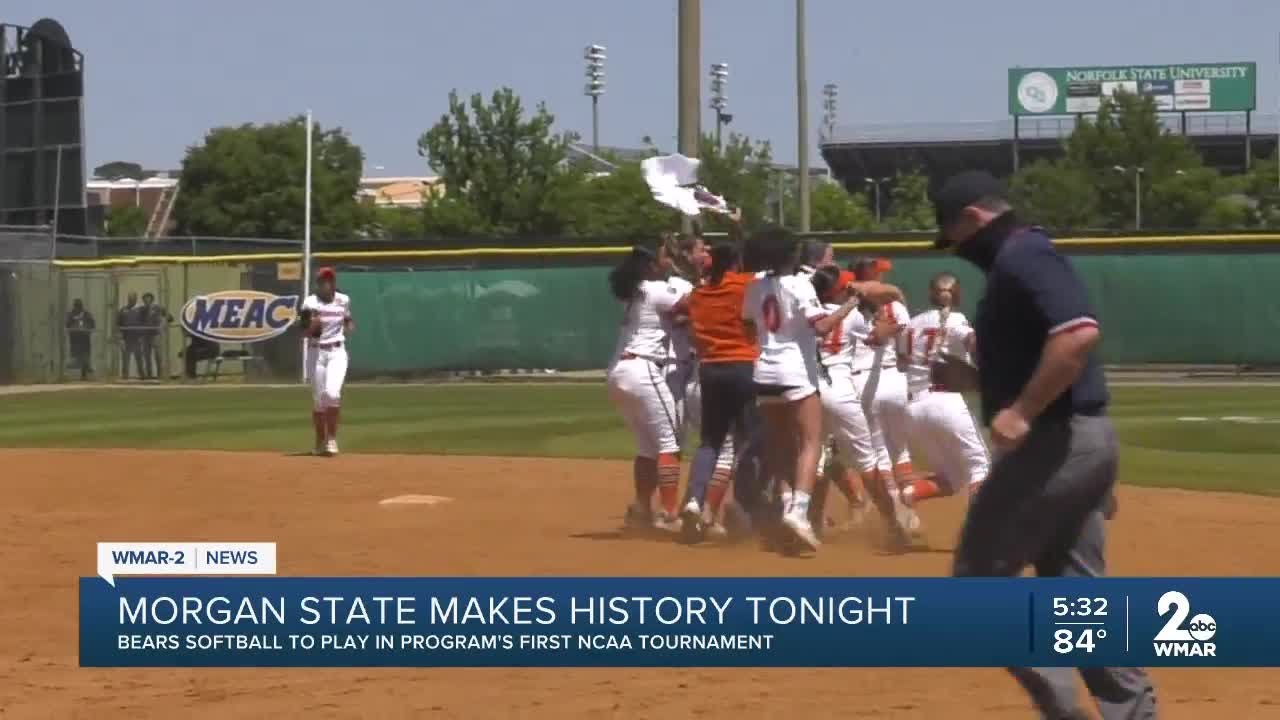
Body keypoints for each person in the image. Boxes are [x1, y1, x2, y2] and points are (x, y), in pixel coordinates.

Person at [933, 170, 1156, 719]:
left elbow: (1078, 334)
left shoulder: (1023, 254)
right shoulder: (1018, 257)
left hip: (1057, 444)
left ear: (972, 218)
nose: (958, 252)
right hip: (1076, 443)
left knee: (977, 585)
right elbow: (1043, 356)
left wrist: (1021, 410)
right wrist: (979, 382)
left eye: (954, 237)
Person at [742, 228, 902, 553]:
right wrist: (853, 302)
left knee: (780, 446)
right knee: (813, 443)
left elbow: (747, 326)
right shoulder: (803, 286)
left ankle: (789, 503)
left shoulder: (755, 285)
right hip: (801, 374)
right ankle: (800, 513)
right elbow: (823, 326)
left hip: (764, 370)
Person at [810, 266, 915, 546]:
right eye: (846, 287)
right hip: (840, 393)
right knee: (867, 461)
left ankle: (811, 522)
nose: (851, 289)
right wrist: (889, 323)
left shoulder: (806, 311)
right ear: (839, 292)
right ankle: (893, 523)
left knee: (815, 458)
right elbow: (875, 338)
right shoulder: (853, 315)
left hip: (809, 393)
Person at [606, 244, 688, 532]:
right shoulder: (655, 289)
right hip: (642, 369)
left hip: (618, 372)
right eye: (664, 256)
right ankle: (669, 514)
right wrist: (678, 273)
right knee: (669, 443)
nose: (669, 259)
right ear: (652, 265)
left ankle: (642, 508)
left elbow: (675, 315)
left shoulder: (633, 291)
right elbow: (694, 303)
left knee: (647, 447)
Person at [680, 239, 758, 541]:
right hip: (743, 366)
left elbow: (690, 329)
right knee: (750, 440)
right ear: (735, 263)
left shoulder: (698, 294)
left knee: (710, 441)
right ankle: (745, 509)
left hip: (710, 368)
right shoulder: (744, 285)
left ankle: (693, 500)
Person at [897, 272, 989, 506]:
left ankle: (908, 495)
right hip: (945, 401)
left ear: (931, 294)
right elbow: (972, 342)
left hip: (913, 409)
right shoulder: (956, 319)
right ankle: (978, 536)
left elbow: (900, 361)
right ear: (956, 295)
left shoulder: (913, 323)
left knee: (952, 477)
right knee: (980, 467)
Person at [299, 267, 354, 456]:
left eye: (329, 280)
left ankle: (331, 439)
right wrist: (312, 326)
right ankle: (319, 440)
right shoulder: (310, 302)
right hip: (316, 353)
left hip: (337, 352)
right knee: (319, 401)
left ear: (334, 283)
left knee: (332, 394)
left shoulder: (343, 299)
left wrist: (349, 326)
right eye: (323, 280)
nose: (326, 283)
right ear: (318, 283)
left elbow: (348, 320)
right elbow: (304, 330)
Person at [138, 292, 173, 380]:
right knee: (146, 356)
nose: (146, 300)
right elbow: (137, 320)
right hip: (145, 336)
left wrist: (163, 323)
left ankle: (159, 375)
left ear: (151, 299)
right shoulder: (141, 309)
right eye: (145, 299)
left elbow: (170, 317)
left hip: (155, 335)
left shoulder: (158, 308)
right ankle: (149, 375)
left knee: (157, 355)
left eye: (148, 298)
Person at [65, 299, 95, 380]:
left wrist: (86, 329)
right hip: (75, 340)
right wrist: (74, 326)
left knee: (85, 356)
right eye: (76, 306)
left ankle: (84, 375)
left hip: (84, 340)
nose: (77, 308)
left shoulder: (86, 314)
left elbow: (92, 324)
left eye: (79, 306)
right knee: (75, 357)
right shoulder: (71, 314)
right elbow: (67, 324)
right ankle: (69, 374)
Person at [116, 292, 142, 380]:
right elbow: (118, 324)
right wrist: (120, 338)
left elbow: (143, 322)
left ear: (136, 299)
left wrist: (142, 336)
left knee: (138, 357)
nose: (132, 300)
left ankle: (141, 374)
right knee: (125, 358)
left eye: (133, 298)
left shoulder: (140, 310)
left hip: (137, 337)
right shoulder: (123, 310)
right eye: (130, 298)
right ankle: (125, 375)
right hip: (126, 337)